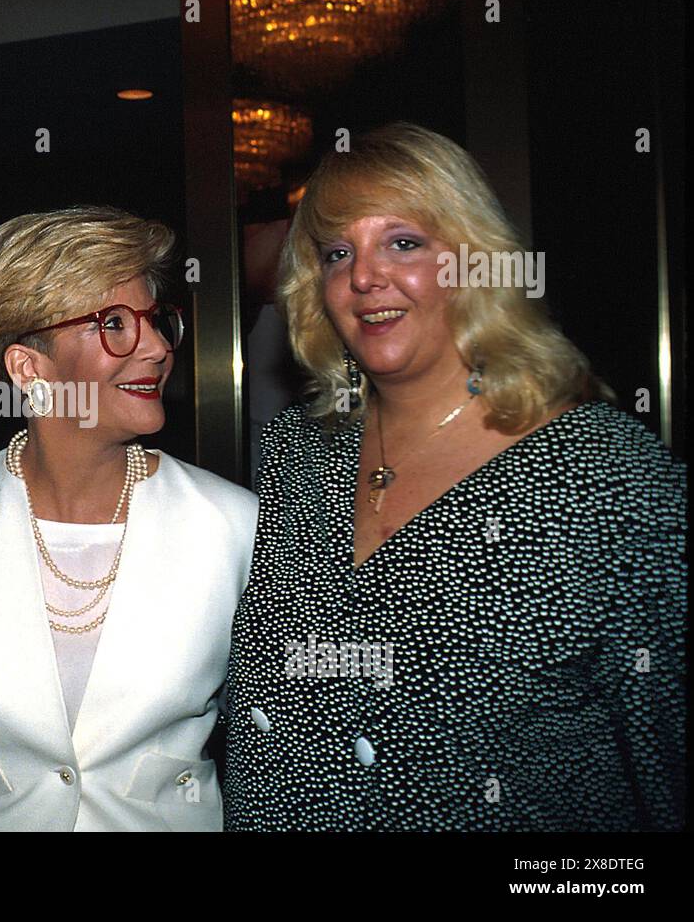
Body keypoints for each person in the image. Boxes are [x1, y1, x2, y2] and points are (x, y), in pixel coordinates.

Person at [225, 122, 686, 831]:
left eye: (403, 243)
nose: (365, 277)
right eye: (338, 253)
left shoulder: (607, 478)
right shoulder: (301, 454)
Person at [0, 206, 258, 831]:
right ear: (29, 368)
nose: (159, 347)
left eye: (158, 322)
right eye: (114, 324)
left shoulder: (231, 525)